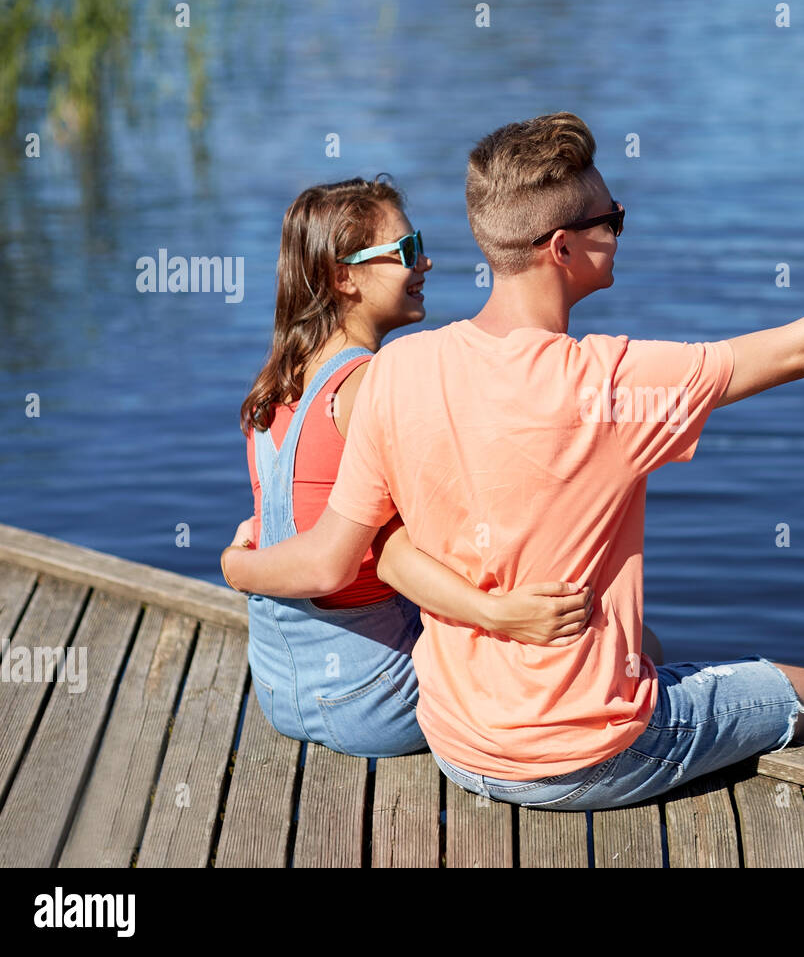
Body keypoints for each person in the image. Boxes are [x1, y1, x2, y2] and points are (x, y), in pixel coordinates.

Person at [223, 114, 804, 808]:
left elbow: (383, 546)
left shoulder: (399, 371)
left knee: (644, 643)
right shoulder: (612, 383)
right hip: (578, 757)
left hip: (456, 742)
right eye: (611, 217)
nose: (621, 226)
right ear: (562, 249)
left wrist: (493, 607)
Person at [231, 175, 593, 758]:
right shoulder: (372, 384)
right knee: (597, 642)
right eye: (405, 251)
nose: (425, 260)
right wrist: (500, 615)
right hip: (374, 696)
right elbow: (383, 557)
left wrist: (240, 559)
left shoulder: (276, 385)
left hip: (279, 688)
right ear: (342, 276)